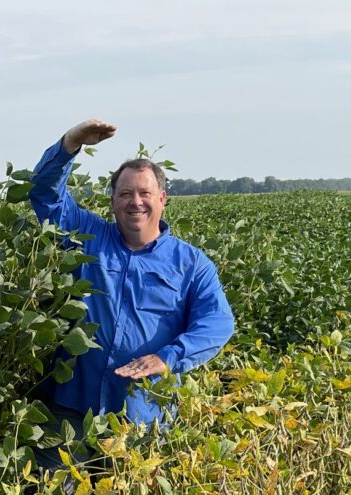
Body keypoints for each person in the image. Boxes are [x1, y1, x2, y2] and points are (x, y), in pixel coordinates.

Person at [29, 119, 235, 471]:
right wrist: (70, 143)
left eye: (144, 193)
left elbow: (217, 323)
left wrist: (168, 357)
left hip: (141, 417)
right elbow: (45, 195)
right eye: (125, 194)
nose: (135, 202)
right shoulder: (87, 236)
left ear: (162, 199)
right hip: (71, 410)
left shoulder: (191, 263)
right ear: (112, 201)